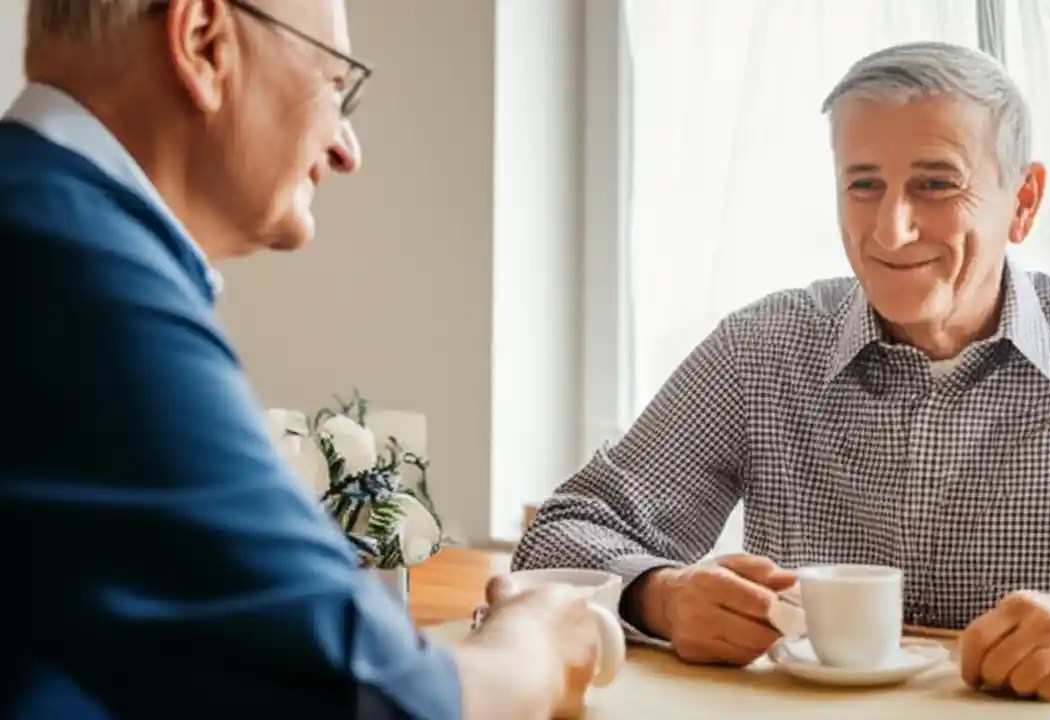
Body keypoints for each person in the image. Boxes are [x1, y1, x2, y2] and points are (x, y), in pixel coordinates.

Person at [513, 41, 1050, 702]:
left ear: (1024, 200)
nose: (891, 228)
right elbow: (561, 539)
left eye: (936, 183)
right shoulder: (761, 349)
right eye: (864, 184)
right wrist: (662, 595)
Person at [0, 1, 600, 718]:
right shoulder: (69, 269)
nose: (347, 149)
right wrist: (537, 642)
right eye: (334, 83)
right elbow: (377, 695)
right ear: (203, 43)